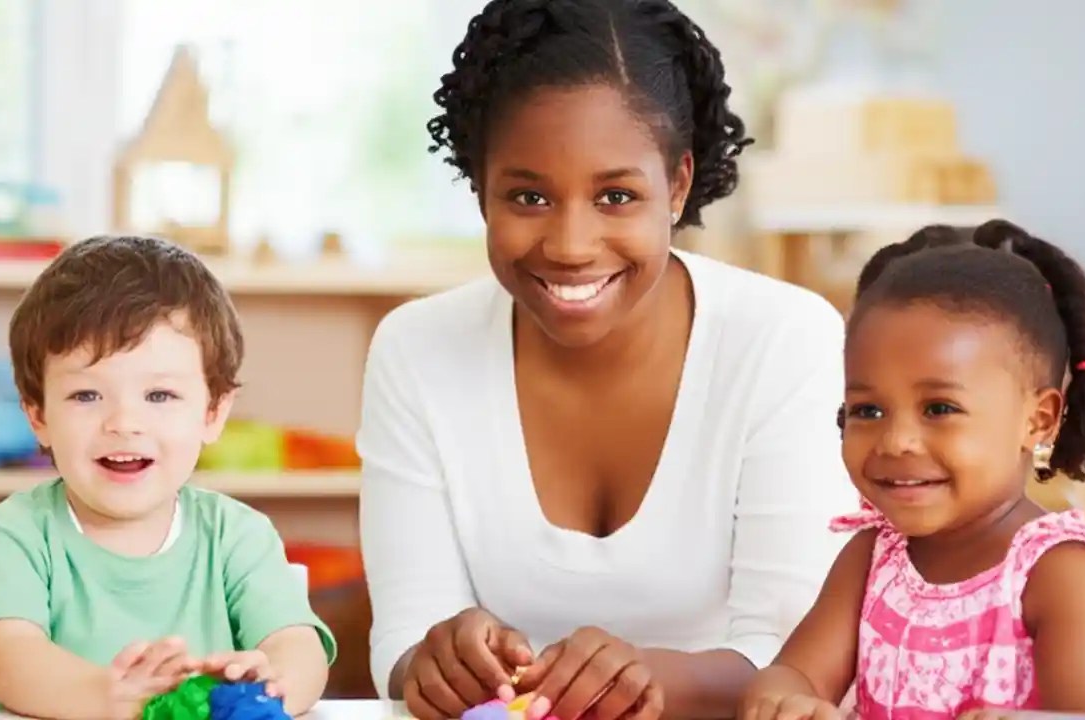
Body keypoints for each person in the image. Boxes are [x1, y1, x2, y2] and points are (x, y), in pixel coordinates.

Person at [356, 1, 856, 719]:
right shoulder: (416, 350)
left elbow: (796, 660)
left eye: (616, 196)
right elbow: (403, 643)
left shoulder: (784, 340)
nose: (570, 243)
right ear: (479, 185)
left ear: (677, 185)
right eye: (528, 195)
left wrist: (657, 680)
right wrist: (433, 663)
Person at [738, 220, 1085, 720]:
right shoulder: (873, 555)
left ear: (1036, 419)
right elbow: (799, 672)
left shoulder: (1059, 571)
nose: (896, 441)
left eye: (939, 409)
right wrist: (782, 697)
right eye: (868, 411)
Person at [0, 236, 337, 720]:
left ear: (213, 412)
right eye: (87, 395)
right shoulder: (17, 533)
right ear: (38, 416)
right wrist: (106, 695)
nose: (124, 422)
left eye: (159, 396)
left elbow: (298, 646)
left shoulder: (238, 536)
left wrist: (272, 683)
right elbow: (9, 659)